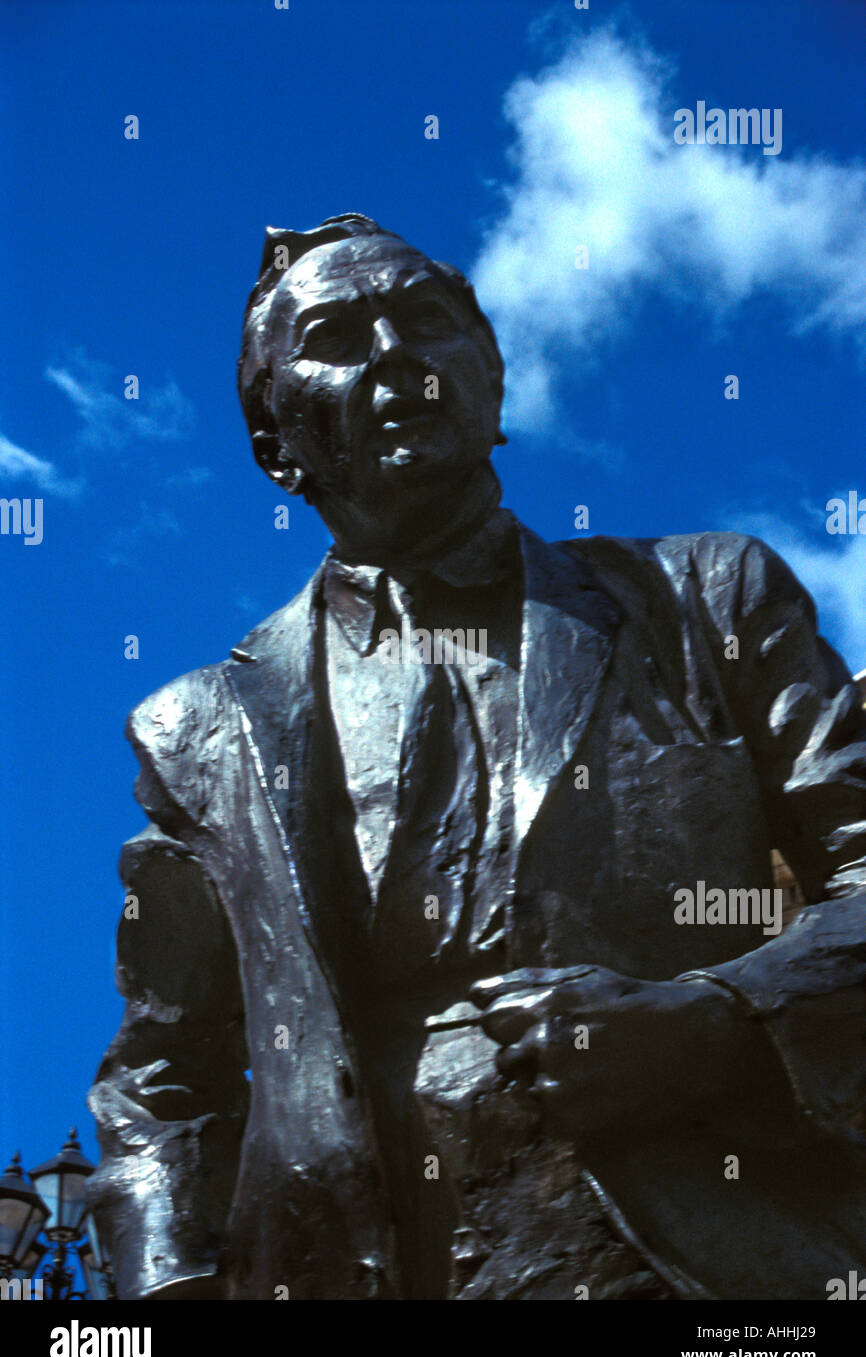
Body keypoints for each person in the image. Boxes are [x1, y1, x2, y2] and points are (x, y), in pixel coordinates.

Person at [88, 214, 866, 1300]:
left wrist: (718, 1018)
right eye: (338, 337)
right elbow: (162, 1077)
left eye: (425, 321)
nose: (395, 356)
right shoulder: (196, 730)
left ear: (491, 378)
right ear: (276, 445)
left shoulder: (707, 600)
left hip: (698, 1261)